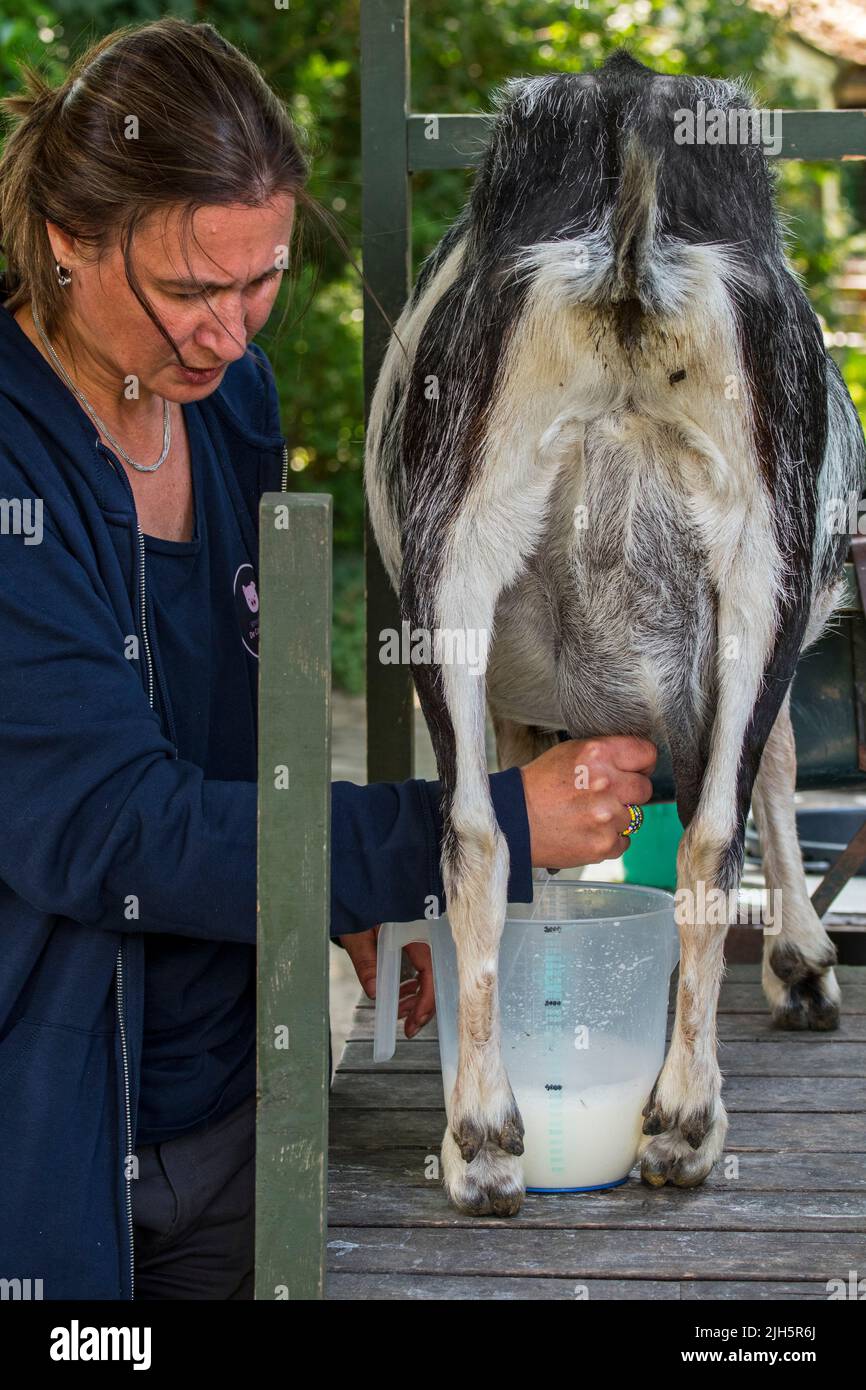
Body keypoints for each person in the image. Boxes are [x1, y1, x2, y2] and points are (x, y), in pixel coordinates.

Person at [0, 17, 655, 1302]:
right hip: (49, 1133)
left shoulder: (228, 406)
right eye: (188, 290)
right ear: (68, 245)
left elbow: (246, 722)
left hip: (241, 1107)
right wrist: (473, 824)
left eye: (264, 281)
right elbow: (109, 828)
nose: (230, 334)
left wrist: (335, 889)